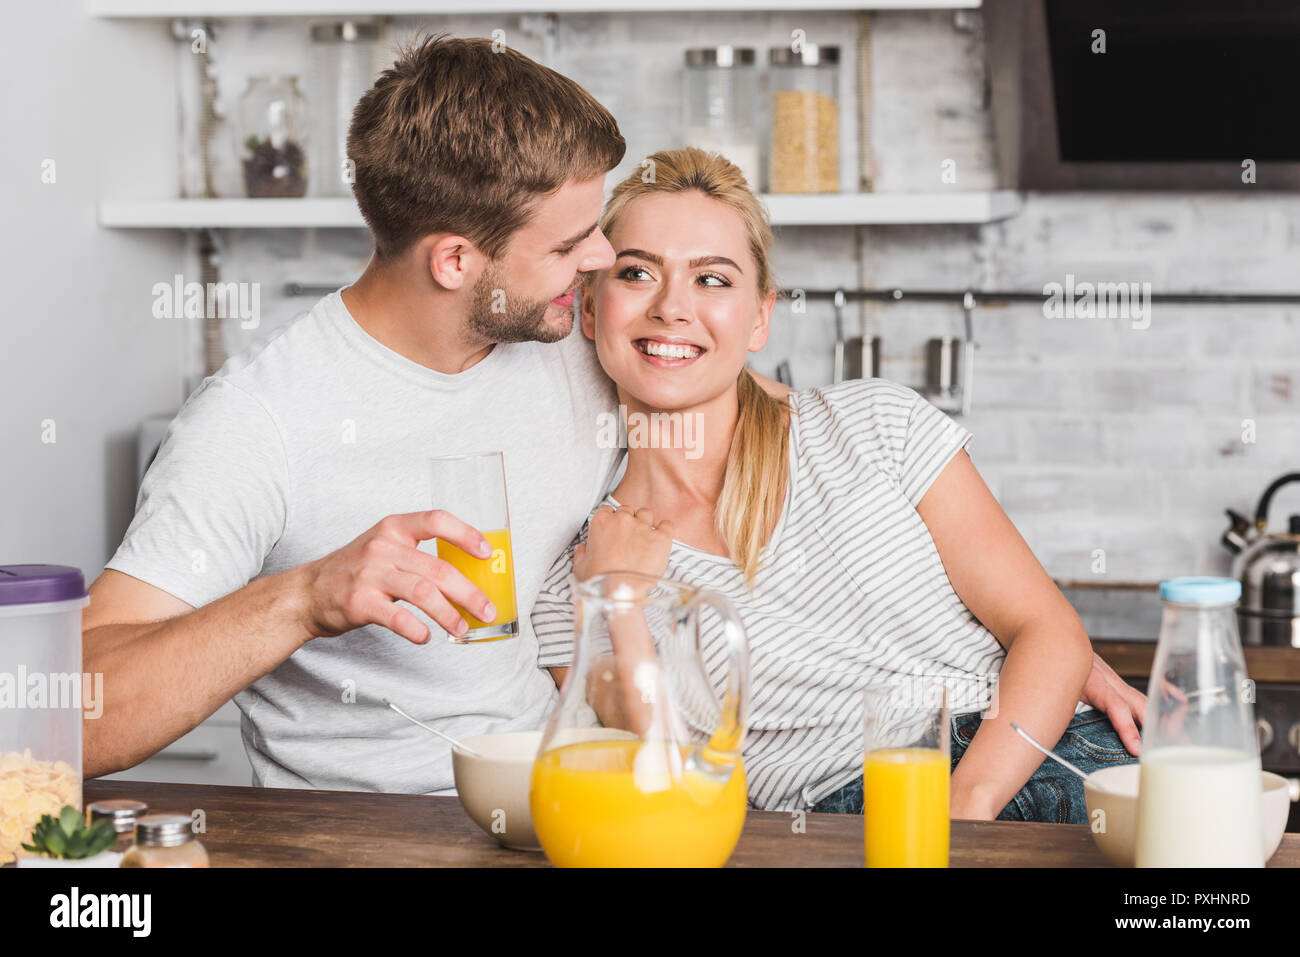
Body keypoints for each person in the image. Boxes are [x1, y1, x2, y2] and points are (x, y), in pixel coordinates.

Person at [83, 35, 631, 793]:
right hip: (360, 835)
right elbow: (77, 713)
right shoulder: (256, 421)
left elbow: (751, 407)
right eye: (571, 243)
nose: (602, 257)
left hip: (555, 809)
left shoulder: (571, 344)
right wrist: (302, 598)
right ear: (454, 261)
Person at [532, 147, 1146, 821]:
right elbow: (666, 794)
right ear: (589, 310)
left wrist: (963, 809)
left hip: (1045, 759)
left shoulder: (874, 424)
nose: (673, 307)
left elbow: (1050, 630)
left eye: (712, 279)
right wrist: (621, 606)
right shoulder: (581, 576)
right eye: (637, 272)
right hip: (840, 822)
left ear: (760, 317)